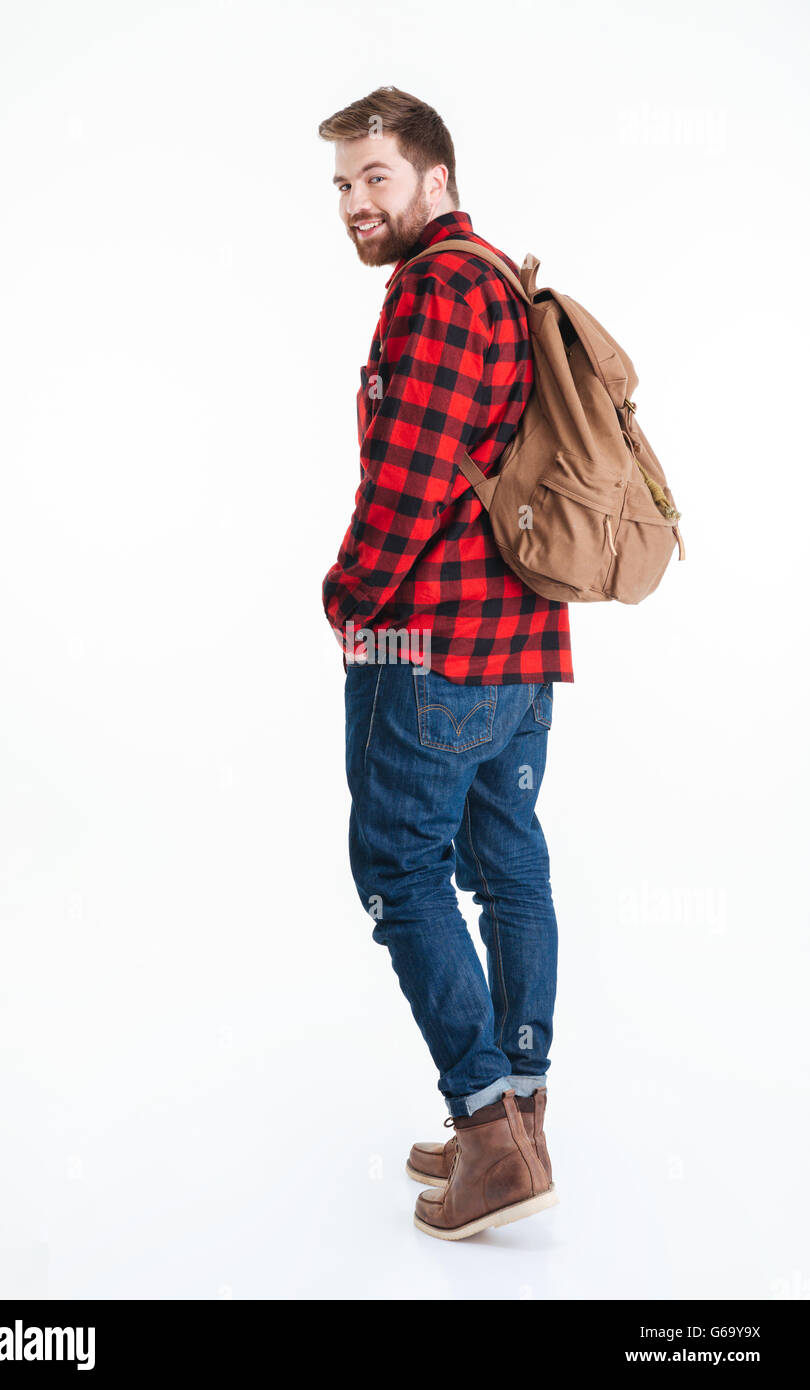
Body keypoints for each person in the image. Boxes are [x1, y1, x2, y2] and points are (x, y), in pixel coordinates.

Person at [319, 86, 573, 1241]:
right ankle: (519, 1115)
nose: (354, 203)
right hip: (519, 644)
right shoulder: (502, 286)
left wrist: (344, 598)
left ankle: (483, 1136)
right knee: (506, 864)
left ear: (434, 178)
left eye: (375, 178)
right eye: (340, 184)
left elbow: (409, 479)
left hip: (432, 648)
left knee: (398, 869)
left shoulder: (434, 292)